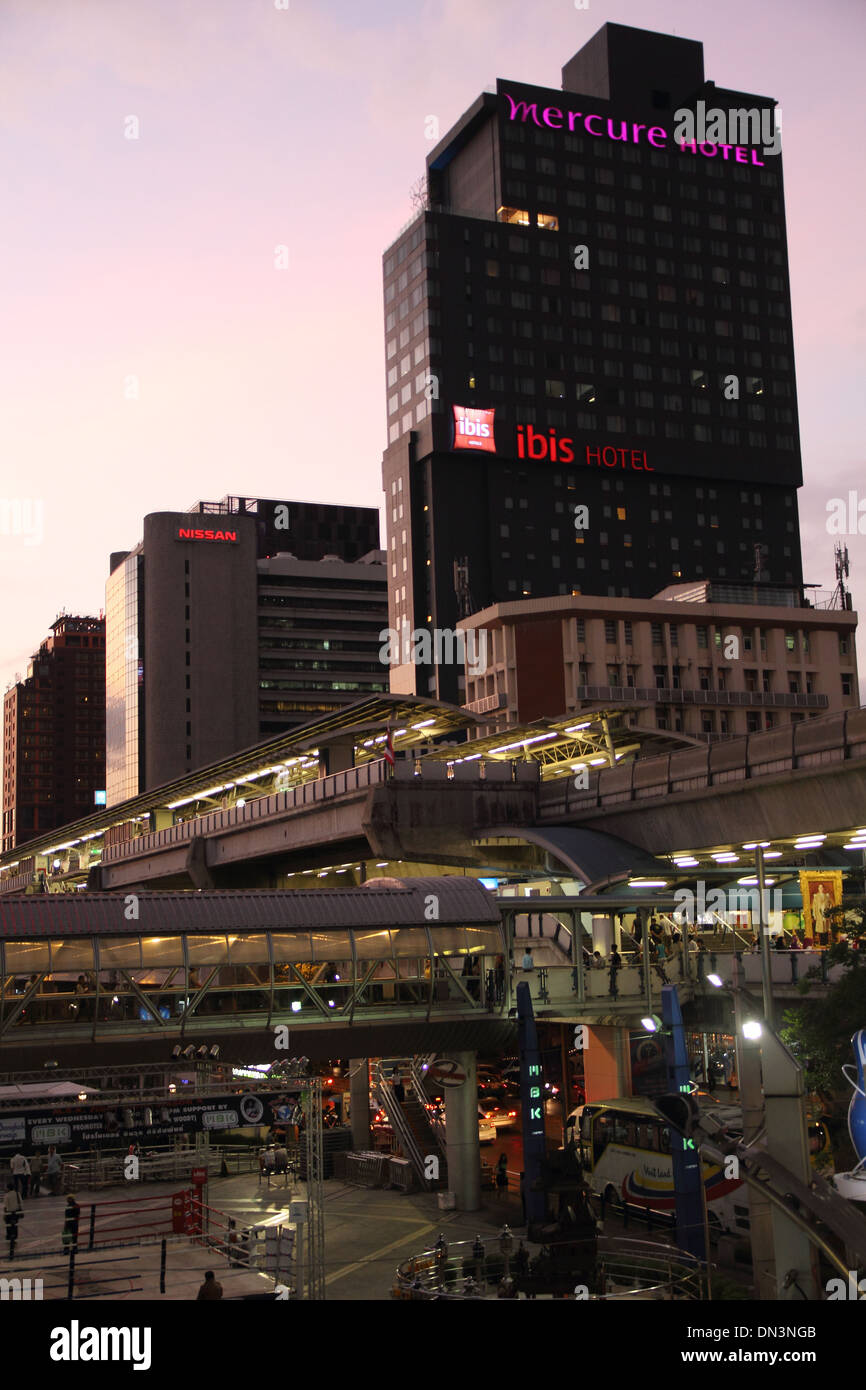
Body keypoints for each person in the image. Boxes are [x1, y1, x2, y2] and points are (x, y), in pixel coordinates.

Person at [3, 1182, 23, 1258]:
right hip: (16, 1213)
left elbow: (6, 1205)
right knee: (15, 1225)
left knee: (8, 1226)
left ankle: (10, 1237)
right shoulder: (17, 1194)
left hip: (9, 1213)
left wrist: (5, 1214)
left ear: (8, 1188)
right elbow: (21, 1202)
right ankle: (14, 1236)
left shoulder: (7, 1195)